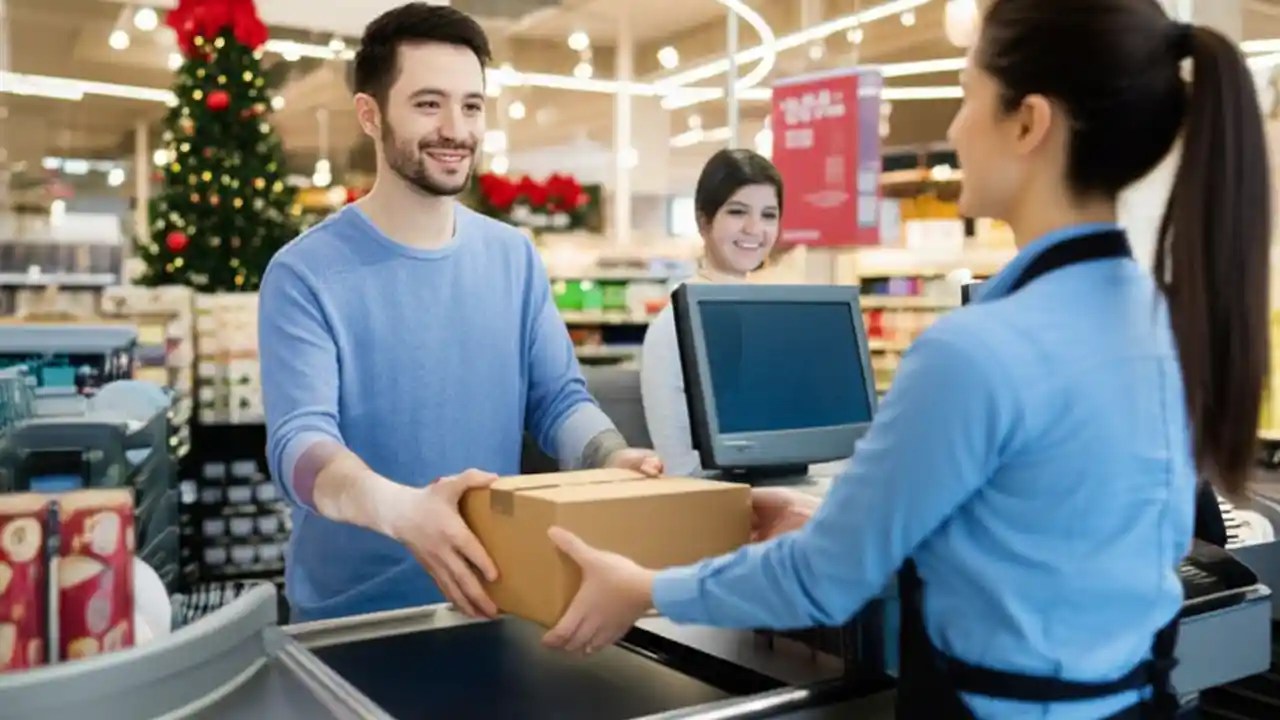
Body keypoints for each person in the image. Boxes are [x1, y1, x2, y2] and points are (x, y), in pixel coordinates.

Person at [539, 1, 1271, 718]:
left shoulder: (976, 351)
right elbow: (1072, 544)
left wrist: (644, 587)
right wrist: (888, 527)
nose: (953, 128)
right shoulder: (1160, 324)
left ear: (1028, 122)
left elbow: (824, 580)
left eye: (965, 97)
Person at [258, 3, 662, 624]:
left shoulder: (512, 257)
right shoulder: (305, 273)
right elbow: (300, 447)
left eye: (471, 105)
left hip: (493, 601)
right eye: (428, 104)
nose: (456, 128)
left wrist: (611, 455)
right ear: (370, 113)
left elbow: (557, 400)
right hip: (353, 620)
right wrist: (401, 510)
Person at [640, 148, 784, 476]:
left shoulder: (773, 319)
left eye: (768, 215)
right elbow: (680, 465)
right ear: (704, 220)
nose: (754, 228)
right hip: (717, 507)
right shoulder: (675, 326)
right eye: (737, 212)